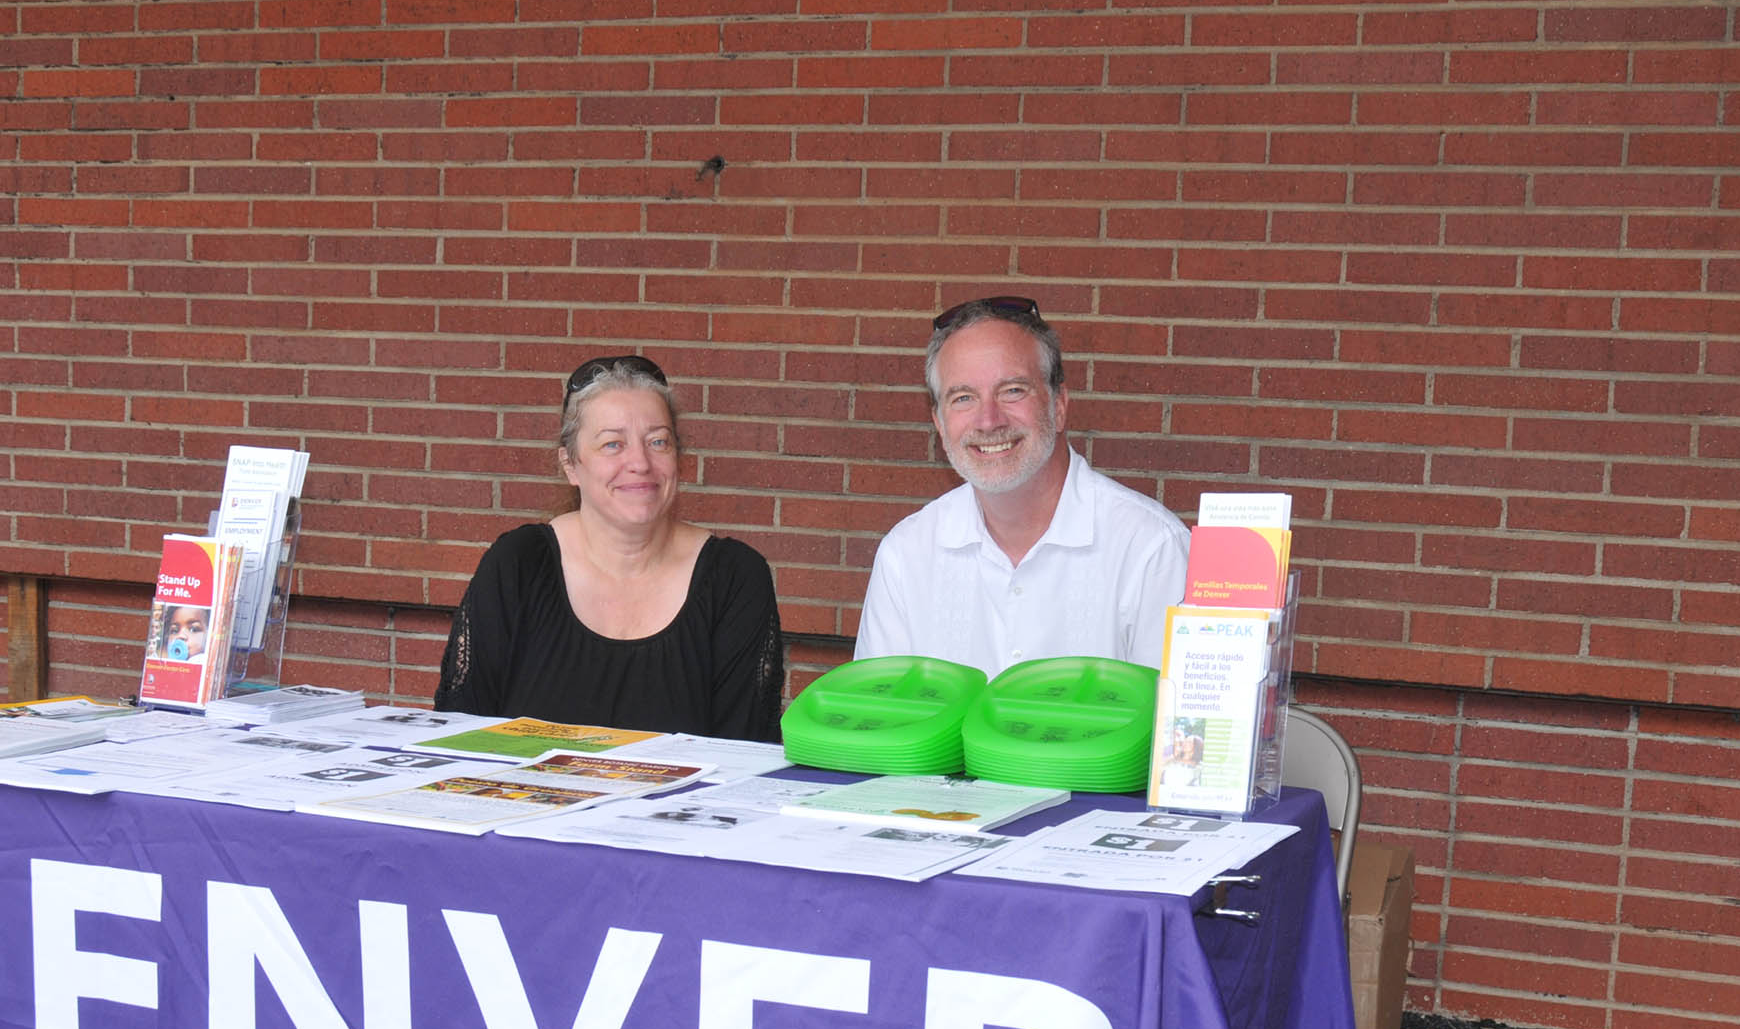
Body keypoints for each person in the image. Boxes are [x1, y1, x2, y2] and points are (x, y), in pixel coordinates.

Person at [435, 354, 785, 741]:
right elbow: (458, 733)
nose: (640, 463)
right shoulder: (518, 565)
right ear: (571, 464)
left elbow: (746, 751)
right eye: (612, 444)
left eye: (657, 441)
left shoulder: (735, 578)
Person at [853, 296, 1190, 675]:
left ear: (1058, 405)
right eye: (963, 398)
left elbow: (1176, 712)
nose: (989, 420)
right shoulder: (906, 555)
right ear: (939, 423)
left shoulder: (1151, 551)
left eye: (1012, 390)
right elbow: (878, 709)